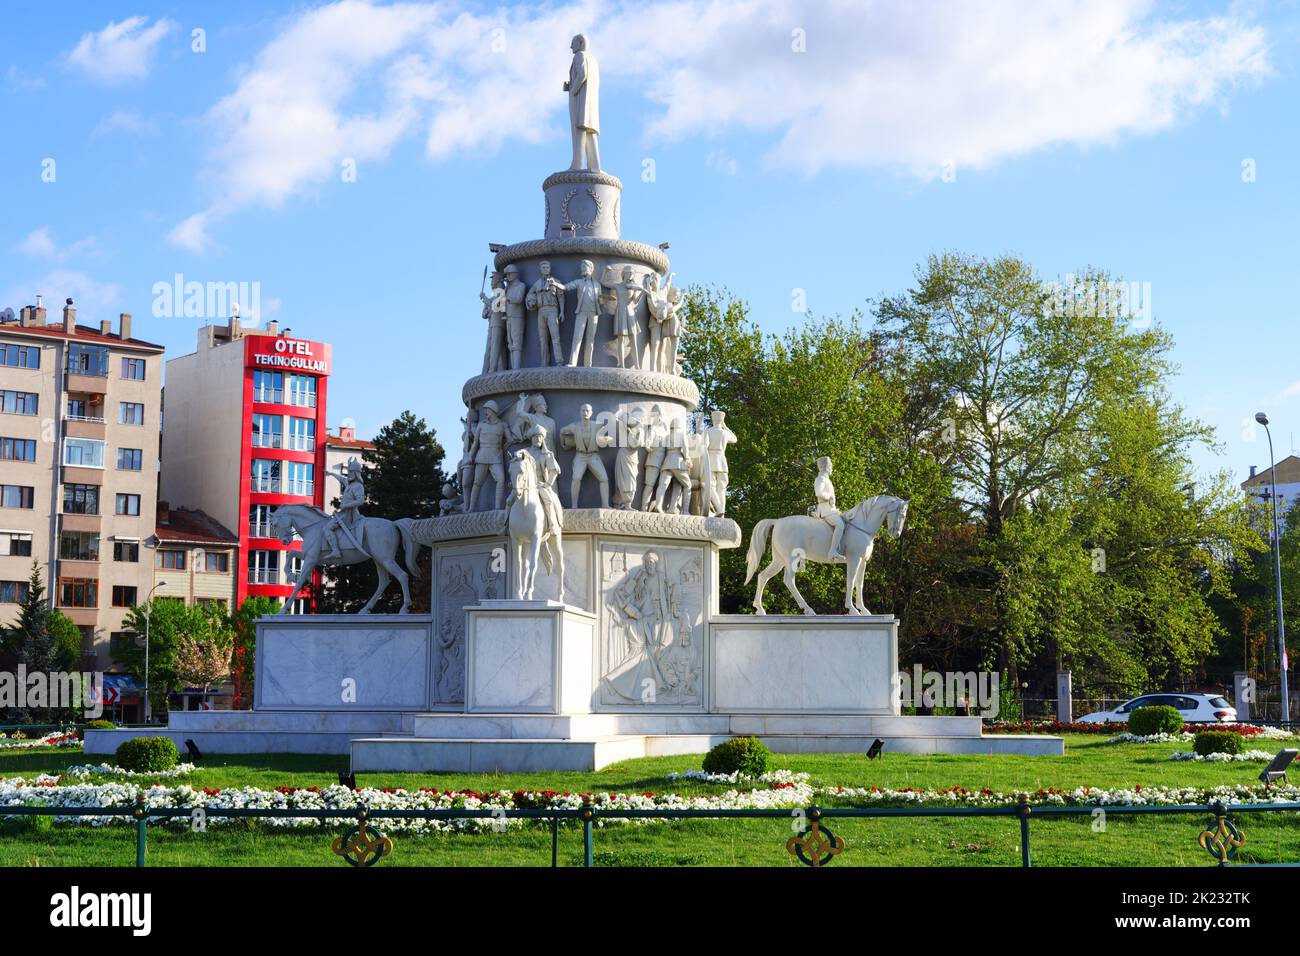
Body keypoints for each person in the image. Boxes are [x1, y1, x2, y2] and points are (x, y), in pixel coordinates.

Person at [560, 403, 614, 508]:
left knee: (604, 478)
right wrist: (564, 444)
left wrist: (607, 440)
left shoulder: (597, 425)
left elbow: (608, 437)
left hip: (593, 456)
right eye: (583, 410)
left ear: (591, 413)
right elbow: (562, 431)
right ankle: (574, 505)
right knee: (576, 478)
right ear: (580, 412)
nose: (585, 413)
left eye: (587, 411)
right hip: (580, 456)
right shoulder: (574, 426)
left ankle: (605, 505)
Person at [564, 34, 600, 171]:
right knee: (590, 134)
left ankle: (577, 165)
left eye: (573, 43)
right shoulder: (593, 60)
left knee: (578, 131)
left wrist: (573, 90)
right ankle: (595, 166)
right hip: (590, 104)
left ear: (580, 43)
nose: (571, 46)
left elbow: (583, 75)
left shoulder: (579, 56)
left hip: (580, 101)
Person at [467, 400, 509, 511]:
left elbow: (510, 439)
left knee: (501, 479)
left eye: (487, 409)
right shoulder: (481, 425)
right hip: (482, 456)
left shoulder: (502, 425)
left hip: (496, 457)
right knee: (477, 483)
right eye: (484, 409)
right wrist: (471, 455)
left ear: (493, 410)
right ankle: (471, 508)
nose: (485, 412)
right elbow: (476, 442)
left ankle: (497, 507)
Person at [322, 457, 365, 560]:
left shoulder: (358, 486)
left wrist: (345, 505)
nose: (348, 474)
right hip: (343, 513)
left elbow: (360, 501)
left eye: (350, 472)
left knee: (327, 528)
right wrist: (331, 474)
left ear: (355, 473)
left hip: (349, 514)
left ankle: (336, 551)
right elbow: (341, 478)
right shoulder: (349, 484)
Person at [527, 260, 566, 366]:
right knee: (542, 339)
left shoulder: (556, 281)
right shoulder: (537, 284)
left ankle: (559, 361)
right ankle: (544, 362)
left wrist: (562, 312)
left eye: (547, 267)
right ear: (540, 269)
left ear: (550, 269)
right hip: (541, 311)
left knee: (555, 337)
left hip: (552, 310)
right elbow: (530, 294)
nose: (545, 269)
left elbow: (561, 297)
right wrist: (531, 301)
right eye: (543, 267)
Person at [566, 259, 602, 366]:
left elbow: (600, 299)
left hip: (594, 314)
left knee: (590, 341)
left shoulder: (597, 285)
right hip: (581, 312)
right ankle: (572, 363)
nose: (582, 269)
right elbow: (566, 287)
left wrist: (603, 300)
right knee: (577, 339)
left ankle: (588, 364)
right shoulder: (579, 282)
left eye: (584, 267)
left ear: (591, 269)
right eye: (581, 267)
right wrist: (557, 285)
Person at [814, 456, 845, 561]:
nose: (832, 468)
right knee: (840, 525)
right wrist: (829, 497)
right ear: (826, 467)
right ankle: (832, 551)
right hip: (825, 510)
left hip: (831, 509)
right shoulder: (821, 479)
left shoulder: (827, 480)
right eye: (830, 466)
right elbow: (818, 493)